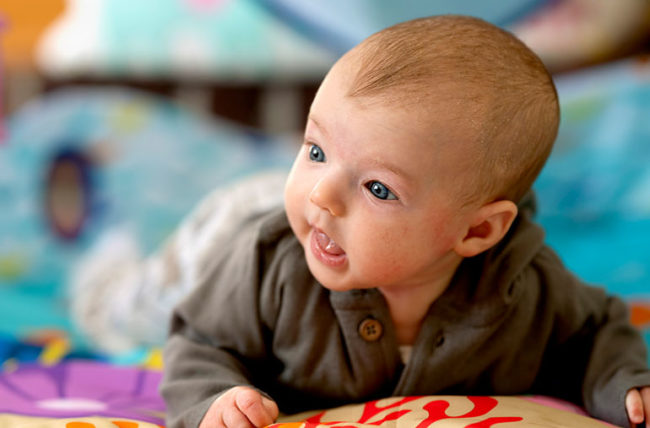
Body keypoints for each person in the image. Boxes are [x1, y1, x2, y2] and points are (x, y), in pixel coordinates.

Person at [160, 15, 650, 428]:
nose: (322, 193)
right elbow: (199, 342)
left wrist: (624, 382)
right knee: (146, 298)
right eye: (314, 149)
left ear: (477, 232)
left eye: (379, 189)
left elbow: (597, 333)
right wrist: (218, 400)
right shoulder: (266, 264)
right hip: (231, 223)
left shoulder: (525, 289)